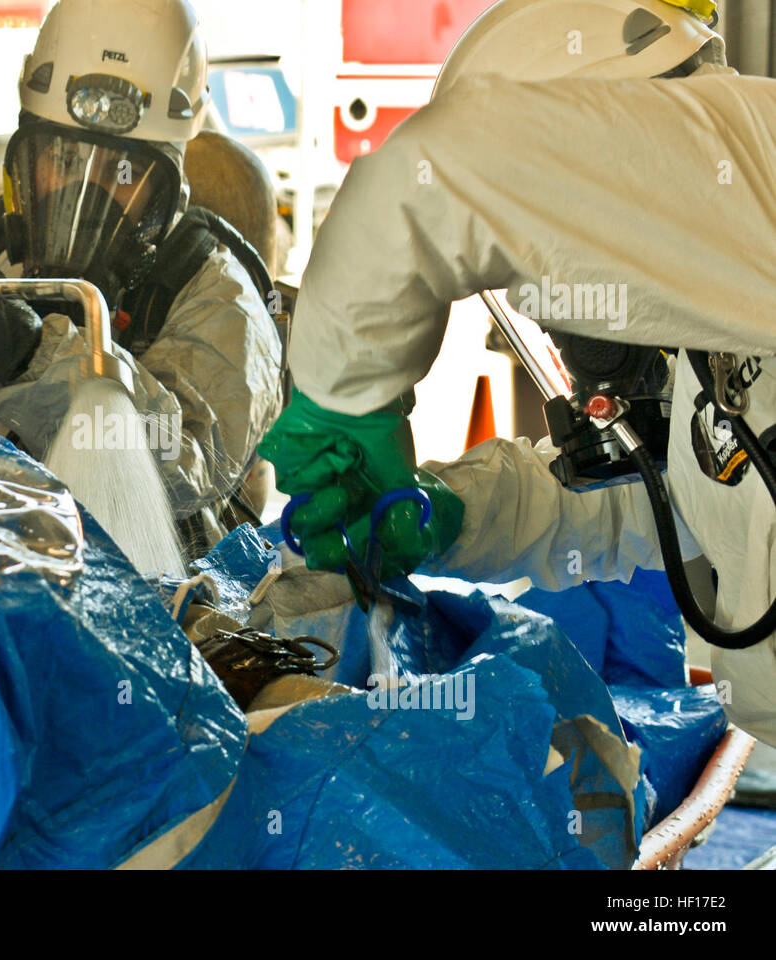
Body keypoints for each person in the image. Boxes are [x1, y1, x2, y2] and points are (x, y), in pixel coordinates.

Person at [260, 0, 776, 747]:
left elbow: (421, 185)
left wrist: (341, 401)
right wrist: (451, 514)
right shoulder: (724, 321)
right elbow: (664, 506)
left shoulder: (756, 170)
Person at [0, 0, 284, 558]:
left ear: (165, 180)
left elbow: (188, 466)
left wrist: (28, 357)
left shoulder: (220, 299)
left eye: (121, 175)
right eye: (63, 161)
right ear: (23, 154)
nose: (85, 193)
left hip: (151, 599)